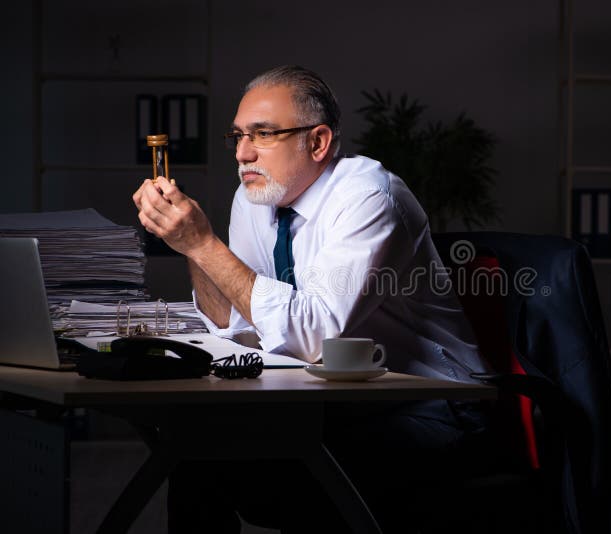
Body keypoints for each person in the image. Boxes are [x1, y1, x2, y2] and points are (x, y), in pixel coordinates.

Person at [133, 65, 490, 533]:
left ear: (318, 142)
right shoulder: (256, 197)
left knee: (309, 480)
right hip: (332, 399)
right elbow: (236, 324)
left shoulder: (369, 196)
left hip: (432, 403)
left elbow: (315, 334)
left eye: (263, 135)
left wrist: (203, 244)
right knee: (196, 457)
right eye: (238, 136)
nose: (242, 154)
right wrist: (189, 247)